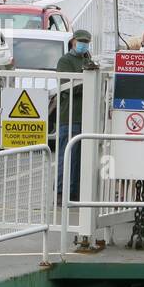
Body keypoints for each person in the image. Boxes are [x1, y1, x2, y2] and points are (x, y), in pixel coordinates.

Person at [55, 29, 98, 203]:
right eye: (80, 41)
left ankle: (76, 192)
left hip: (86, 116)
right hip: (69, 115)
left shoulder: (88, 59)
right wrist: (88, 80)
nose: (83, 45)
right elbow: (69, 86)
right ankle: (61, 192)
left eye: (86, 42)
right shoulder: (65, 60)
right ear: (73, 41)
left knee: (81, 159)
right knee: (67, 156)